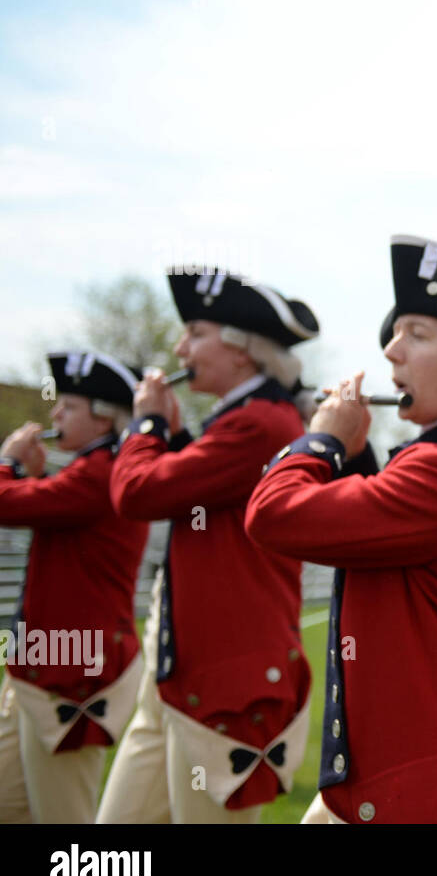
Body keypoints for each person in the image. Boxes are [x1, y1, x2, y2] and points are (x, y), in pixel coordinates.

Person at [246, 236, 437, 824]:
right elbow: (383, 540)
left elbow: (272, 514)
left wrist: (322, 440)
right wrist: (359, 455)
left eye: (416, 334)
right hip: (423, 774)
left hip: (422, 787)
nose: (390, 351)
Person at [98, 267, 318, 824]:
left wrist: (146, 426)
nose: (179, 348)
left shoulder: (261, 421)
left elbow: (137, 491)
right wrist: (166, 435)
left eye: (195, 332)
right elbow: (191, 490)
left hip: (222, 672)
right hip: (180, 660)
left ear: (242, 351)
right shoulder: (244, 416)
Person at [0, 352, 149, 823]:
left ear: (105, 415)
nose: (54, 415)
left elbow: (8, 504)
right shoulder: (90, 469)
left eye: (68, 406)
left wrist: (7, 462)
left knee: (63, 820)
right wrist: (34, 477)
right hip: (40, 668)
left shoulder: (101, 471)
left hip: (70, 675)